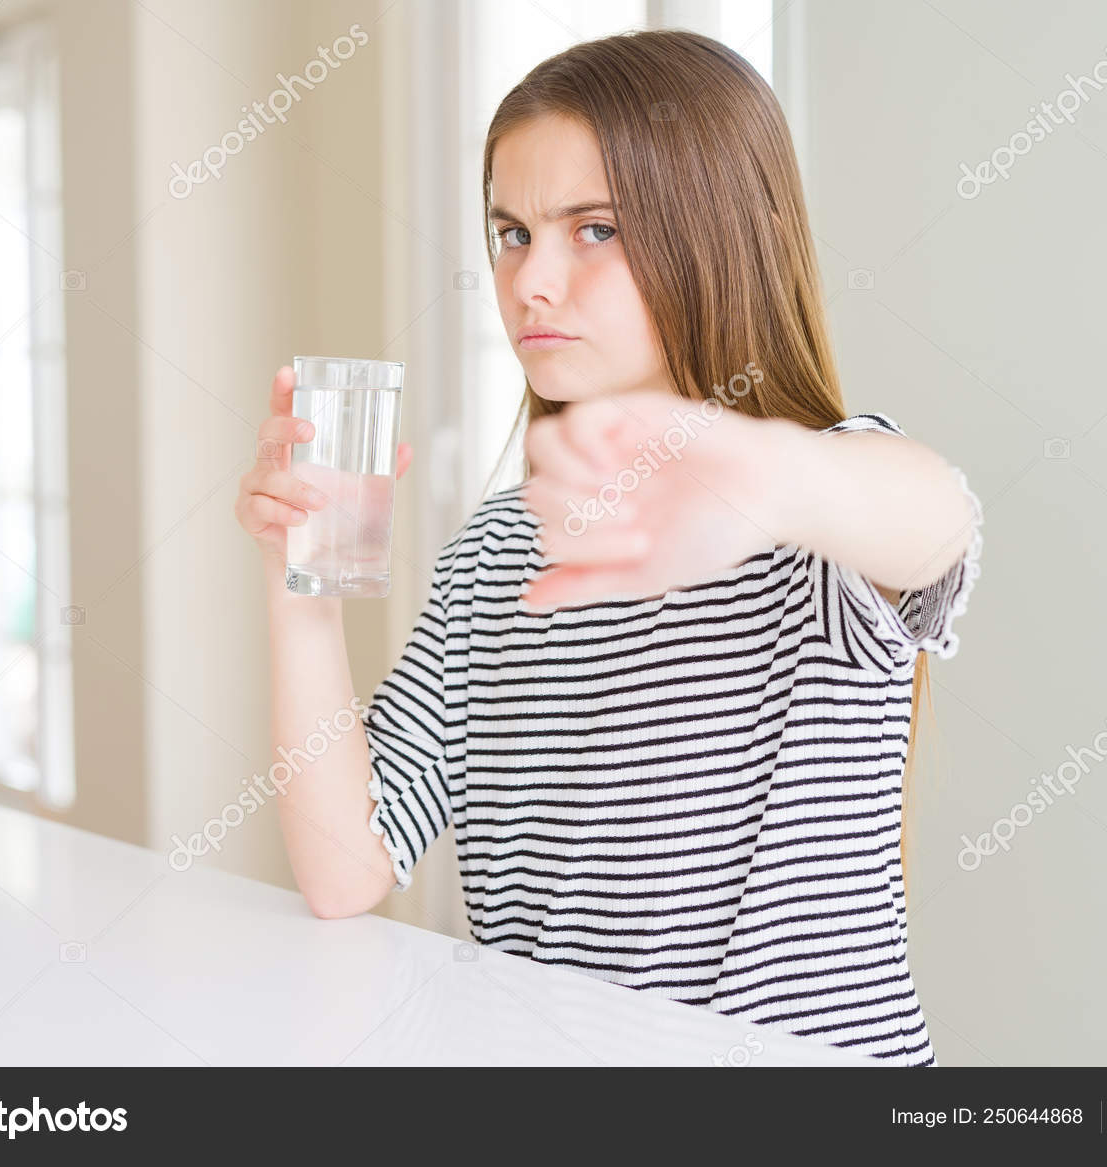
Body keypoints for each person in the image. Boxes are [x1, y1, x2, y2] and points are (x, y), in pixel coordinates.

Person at [235, 28, 983, 1067]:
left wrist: (750, 476)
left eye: (594, 229)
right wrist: (296, 583)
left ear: (717, 236)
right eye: (510, 232)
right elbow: (344, 869)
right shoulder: (495, 553)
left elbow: (935, 514)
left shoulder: (814, 516)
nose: (531, 283)